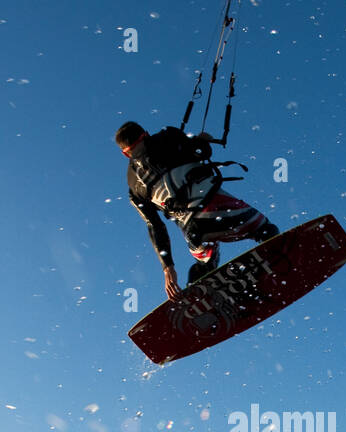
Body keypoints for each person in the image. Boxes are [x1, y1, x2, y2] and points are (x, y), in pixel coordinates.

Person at [116, 121, 279, 300]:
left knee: (204, 266)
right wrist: (202, 140)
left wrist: (167, 267)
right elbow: (203, 151)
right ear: (145, 134)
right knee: (266, 230)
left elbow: (155, 226)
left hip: (193, 233)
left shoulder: (133, 188)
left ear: (125, 153)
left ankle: (196, 298)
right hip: (217, 209)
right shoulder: (167, 137)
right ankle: (277, 268)